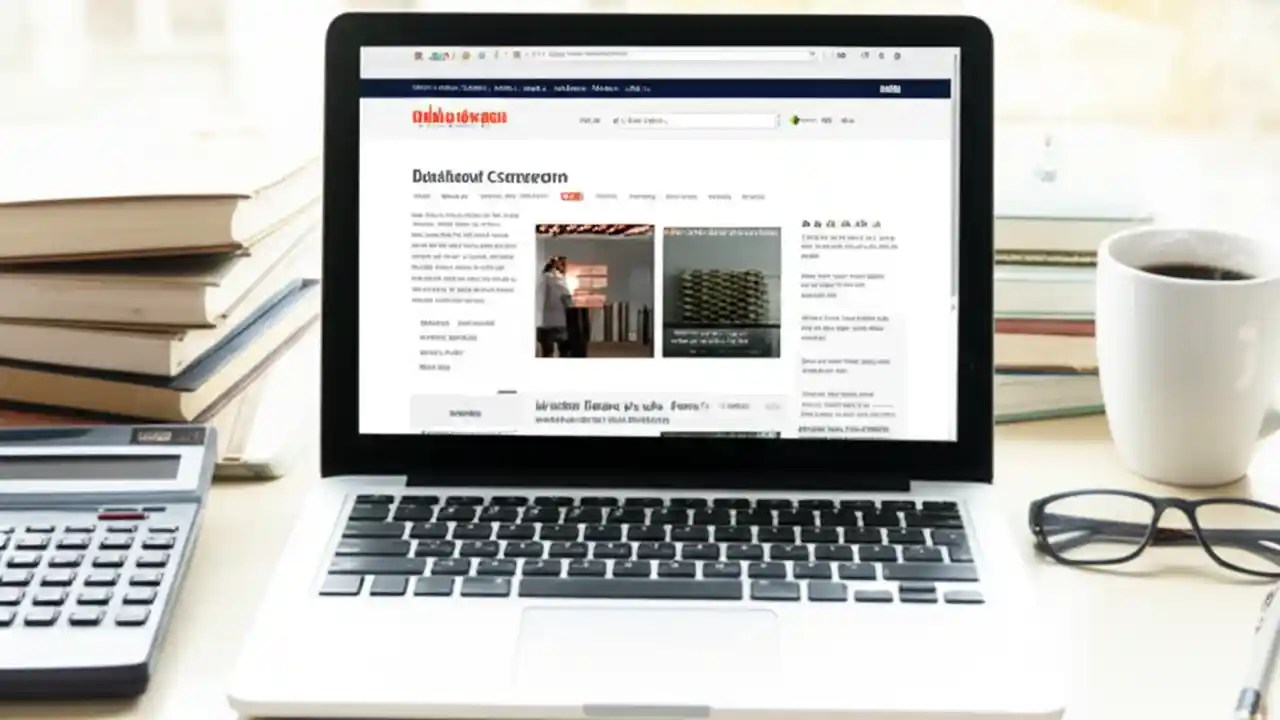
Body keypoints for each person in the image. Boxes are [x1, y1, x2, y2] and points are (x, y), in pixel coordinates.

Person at [537, 255, 572, 357]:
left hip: (543, 324)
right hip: (558, 323)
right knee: (565, 352)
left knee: (547, 353)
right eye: (564, 264)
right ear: (558, 264)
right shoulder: (557, 279)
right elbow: (567, 300)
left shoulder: (541, 279)